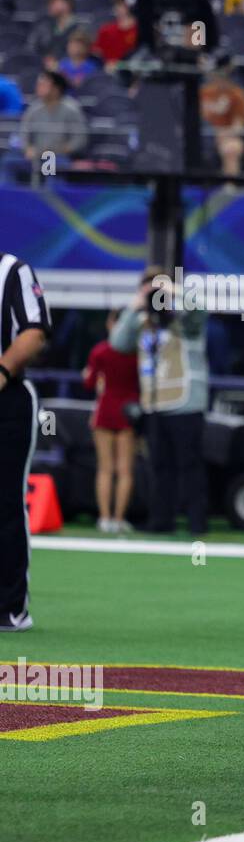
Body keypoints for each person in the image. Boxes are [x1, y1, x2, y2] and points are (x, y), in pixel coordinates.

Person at [109, 269, 209, 535]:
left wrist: (173, 289)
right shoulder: (143, 323)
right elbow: (118, 343)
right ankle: (161, 521)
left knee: (190, 466)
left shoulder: (184, 323)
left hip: (186, 402)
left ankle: (197, 523)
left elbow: (200, 309)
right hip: (154, 405)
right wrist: (136, 304)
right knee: (159, 467)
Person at [0, 253, 52, 632]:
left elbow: (34, 332)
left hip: (7, 397)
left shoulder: (12, 271)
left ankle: (9, 606)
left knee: (4, 501)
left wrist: (1, 371)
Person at [83, 308, 140, 534]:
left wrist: (87, 375)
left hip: (105, 409)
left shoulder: (100, 351)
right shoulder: (137, 352)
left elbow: (89, 382)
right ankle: (118, 519)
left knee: (105, 468)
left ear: (110, 324)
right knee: (125, 470)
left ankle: (104, 518)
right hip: (128, 411)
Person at [16, 71, 87, 177]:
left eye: (44, 84)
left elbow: (80, 138)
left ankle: (51, 193)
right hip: (36, 155)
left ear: (56, 89)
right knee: (9, 163)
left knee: (54, 166)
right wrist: (28, 149)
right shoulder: (33, 109)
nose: (39, 87)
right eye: (39, 84)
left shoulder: (71, 109)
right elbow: (23, 134)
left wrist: (62, 150)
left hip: (60, 155)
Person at [199, 58, 244, 177]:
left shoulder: (238, 95)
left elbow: (239, 128)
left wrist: (222, 133)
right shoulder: (203, 92)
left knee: (232, 148)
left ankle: (229, 189)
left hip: (225, 137)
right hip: (202, 135)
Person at [27, 0, 79, 66]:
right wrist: (43, 59)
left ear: (68, 3)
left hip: (68, 68)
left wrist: (58, 62)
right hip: (41, 65)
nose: (50, 6)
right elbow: (31, 47)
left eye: (53, 2)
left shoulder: (78, 27)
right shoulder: (43, 25)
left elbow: (78, 51)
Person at [94, 0, 140, 69]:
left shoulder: (140, 30)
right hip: (109, 71)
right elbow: (97, 52)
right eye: (117, 5)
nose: (119, 8)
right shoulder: (106, 30)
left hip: (133, 69)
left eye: (122, 5)